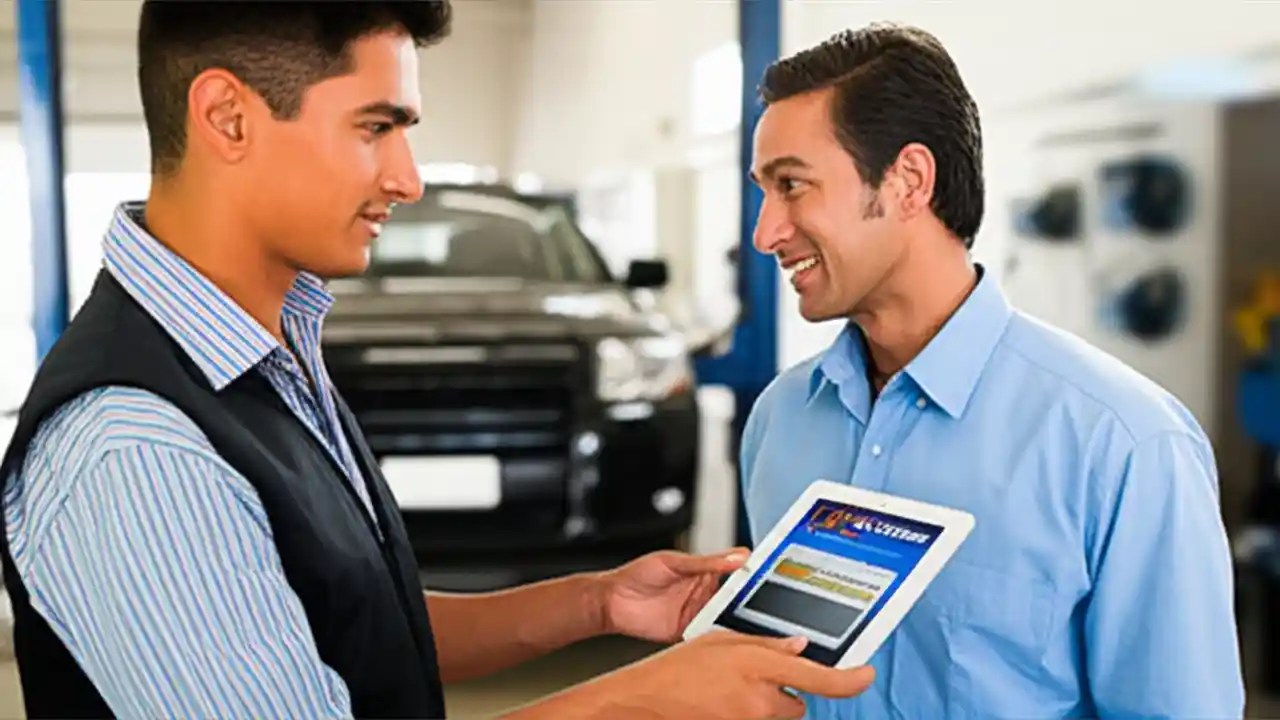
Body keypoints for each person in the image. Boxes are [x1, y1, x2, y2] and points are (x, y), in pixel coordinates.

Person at [0, 2, 876, 718]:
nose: (407, 178)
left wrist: (599, 604)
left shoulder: (267, 351)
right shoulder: (134, 444)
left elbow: (351, 623)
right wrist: (645, 700)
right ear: (228, 116)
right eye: (375, 127)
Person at [739, 22, 1245, 719]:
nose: (765, 232)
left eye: (792, 186)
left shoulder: (1123, 444)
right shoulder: (780, 420)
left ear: (909, 181)